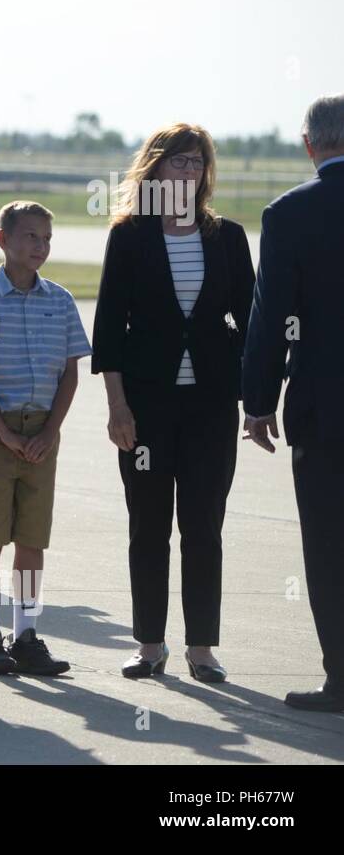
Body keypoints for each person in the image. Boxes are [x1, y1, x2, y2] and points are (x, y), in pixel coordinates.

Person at [93, 124, 254, 683]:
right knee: (148, 525)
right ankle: (149, 644)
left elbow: (251, 322)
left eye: (197, 163)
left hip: (210, 407)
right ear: (155, 168)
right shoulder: (130, 237)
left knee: (204, 526)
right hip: (146, 409)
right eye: (177, 162)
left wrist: (251, 392)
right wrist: (117, 407)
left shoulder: (228, 237)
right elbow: (109, 329)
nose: (187, 172)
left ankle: (202, 648)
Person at [0, 201, 90, 677]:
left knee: (31, 539)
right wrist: (3, 431)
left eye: (47, 239)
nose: (40, 246)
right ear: (4, 240)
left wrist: (49, 431)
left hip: (41, 436)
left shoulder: (61, 300)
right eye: (31, 237)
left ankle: (26, 634)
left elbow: (71, 374)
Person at [243, 94, 344, 712]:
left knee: (329, 546)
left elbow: (270, 317)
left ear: (310, 145)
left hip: (323, 409)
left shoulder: (289, 214)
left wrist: (258, 400)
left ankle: (341, 678)